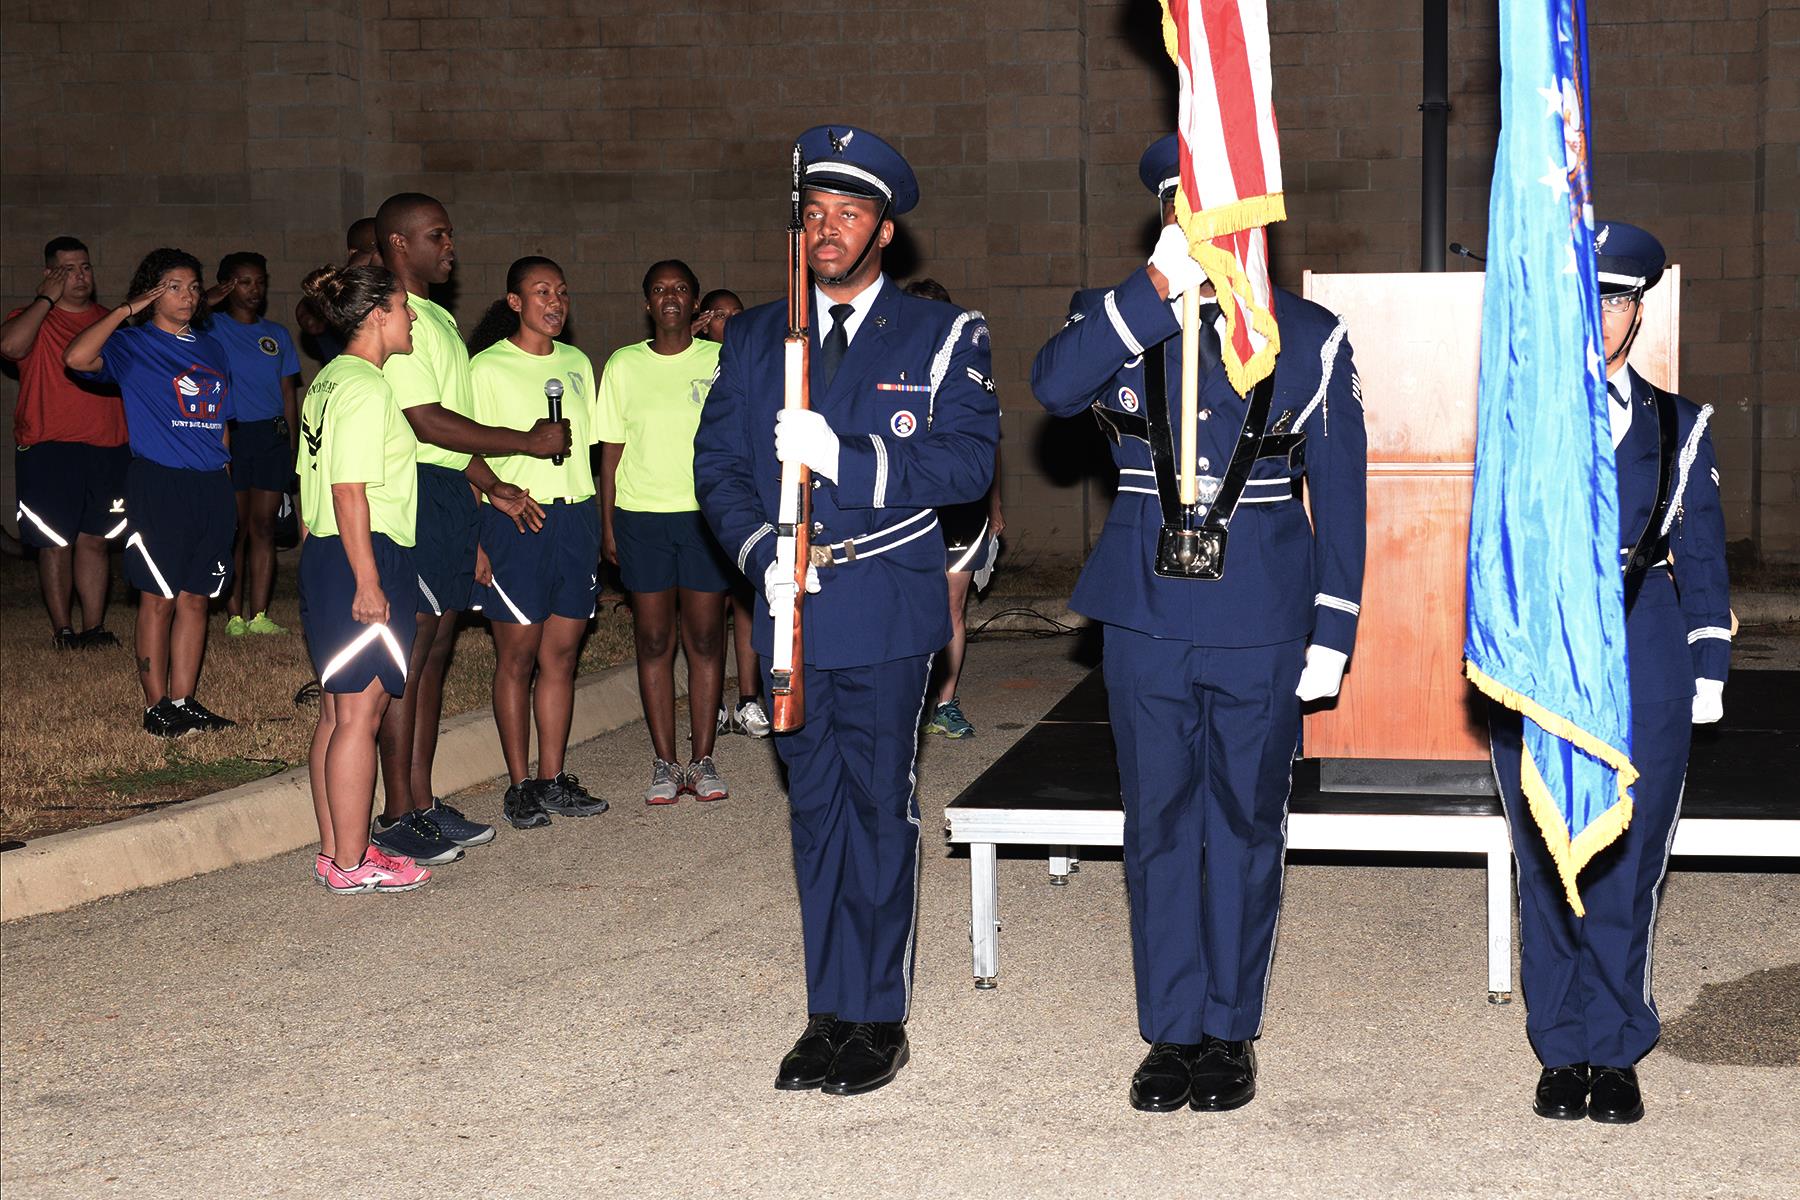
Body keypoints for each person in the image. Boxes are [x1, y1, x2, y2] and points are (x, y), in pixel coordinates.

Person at [1030, 134, 1366, 1114]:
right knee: (1160, 824)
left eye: (1216, 207)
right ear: (1169, 214)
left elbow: (1341, 498)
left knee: (1246, 825)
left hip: (1261, 616)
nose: (1201, 223)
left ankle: (1228, 1030)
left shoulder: (1311, 334)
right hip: (1144, 617)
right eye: (1185, 206)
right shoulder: (1117, 320)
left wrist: (1332, 629)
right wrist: (1149, 291)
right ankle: (1170, 1030)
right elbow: (1053, 389)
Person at [695, 125, 999, 1095]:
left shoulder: (944, 335)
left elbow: (966, 465)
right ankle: (827, 1008)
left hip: (881, 601)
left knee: (876, 809)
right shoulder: (752, 337)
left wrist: (848, 459)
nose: (829, 231)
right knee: (813, 811)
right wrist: (760, 553)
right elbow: (720, 467)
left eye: (850, 214)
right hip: (788, 603)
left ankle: (877, 1013)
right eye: (815, 214)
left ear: (885, 231)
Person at [1491, 222, 1729, 1126]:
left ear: (1639, 310)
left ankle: (1618, 1042)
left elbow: (1701, 557)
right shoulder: (1524, 416)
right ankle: (1561, 1046)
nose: (1603, 316)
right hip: (1544, 657)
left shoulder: (1680, 421)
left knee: (1628, 860)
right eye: (1586, 299)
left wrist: (1708, 663)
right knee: (1550, 853)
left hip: (1646, 654)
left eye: (1619, 299)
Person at [370, 192, 569, 862]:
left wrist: (493, 487)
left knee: (433, 661)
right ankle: (397, 812)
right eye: (437, 234)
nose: (449, 245)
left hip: (453, 492)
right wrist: (527, 443)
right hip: (418, 493)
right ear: (399, 244)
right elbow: (425, 423)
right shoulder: (397, 318)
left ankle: (421, 803)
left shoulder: (436, 319)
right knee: (411, 658)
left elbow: (452, 435)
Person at [64, 248, 245, 737]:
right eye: (172, 287)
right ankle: (156, 705)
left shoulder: (211, 347)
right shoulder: (132, 343)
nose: (186, 297)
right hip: (158, 482)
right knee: (158, 597)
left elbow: (221, 421)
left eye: (191, 287)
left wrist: (224, 476)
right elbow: (76, 357)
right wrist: (126, 310)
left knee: (195, 597)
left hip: (210, 485)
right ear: (151, 292)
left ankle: (185, 701)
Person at [294, 263, 433, 894]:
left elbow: (311, 488)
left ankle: (336, 852)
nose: (411, 320)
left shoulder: (326, 382)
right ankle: (353, 862)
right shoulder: (365, 387)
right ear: (378, 315)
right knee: (360, 714)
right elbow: (349, 489)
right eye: (404, 309)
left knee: (336, 712)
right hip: (362, 555)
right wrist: (368, 581)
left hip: (330, 554)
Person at [466, 257, 610, 827]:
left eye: (562, 292)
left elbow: (593, 453)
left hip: (573, 521)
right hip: (517, 521)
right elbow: (459, 451)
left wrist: (597, 524)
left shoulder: (576, 363)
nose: (555, 301)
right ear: (514, 302)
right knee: (518, 657)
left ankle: (553, 777)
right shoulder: (486, 369)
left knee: (562, 655)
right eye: (541, 291)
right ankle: (519, 783)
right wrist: (479, 533)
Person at [598, 260, 732, 804]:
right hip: (641, 518)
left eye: (679, 288)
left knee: (704, 638)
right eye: (659, 289)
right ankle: (663, 763)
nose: (669, 296)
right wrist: (606, 525)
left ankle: (702, 761)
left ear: (695, 303)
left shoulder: (721, 359)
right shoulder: (624, 365)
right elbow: (609, 452)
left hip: (706, 519)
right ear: (647, 303)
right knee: (653, 640)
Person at [1, 236, 129, 649]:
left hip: (108, 446)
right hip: (48, 446)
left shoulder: (109, 321)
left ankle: (94, 627)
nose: (80, 276)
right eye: (68, 269)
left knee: (96, 539)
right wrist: (45, 300)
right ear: (50, 274)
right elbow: (9, 346)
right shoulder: (32, 319)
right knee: (55, 541)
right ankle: (64, 630)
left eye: (86, 267)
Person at [902, 278, 1006, 739]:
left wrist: (996, 503)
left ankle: (945, 703)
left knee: (951, 606)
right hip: (908, 509)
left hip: (962, 512)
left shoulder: (966, 366)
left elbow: (989, 446)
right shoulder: (892, 368)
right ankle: (904, 700)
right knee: (904, 605)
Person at [210, 251, 302, 637]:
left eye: (259, 281)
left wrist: (295, 445)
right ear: (228, 285)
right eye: (244, 282)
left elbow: (288, 393)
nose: (254, 289)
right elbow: (190, 309)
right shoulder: (210, 327)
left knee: (264, 526)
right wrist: (215, 293)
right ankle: (233, 616)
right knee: (236, 528)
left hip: (270, 436)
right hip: (228, 433)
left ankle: (260, 614)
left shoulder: (277, 334)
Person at [694, 287, 770, 740]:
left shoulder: (755, 356)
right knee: (708, 613)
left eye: (735, 314)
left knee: (748, 603)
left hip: (748, 502)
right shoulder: (692, 357)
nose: (727, 322)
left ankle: (748, 699)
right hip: (705, 500)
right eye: (718, 315)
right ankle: (715, 705)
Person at [296, 218, 377, 364]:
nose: (380, 258)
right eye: (373, 250)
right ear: (354, 253)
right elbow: (307, 317)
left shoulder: (392, 285)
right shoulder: (338, 287)